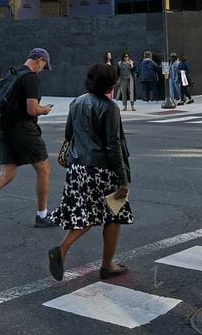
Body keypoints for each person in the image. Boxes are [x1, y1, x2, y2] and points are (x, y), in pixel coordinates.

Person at [48, 63, 132, 281]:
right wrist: (123, 179)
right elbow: (113, 145)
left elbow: (69, 133)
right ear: (110, 84)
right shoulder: (109, 107)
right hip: (101, 169)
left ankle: (63, 248)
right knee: (113, 215)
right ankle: (107, 265)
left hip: (77, 167)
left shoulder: (76, 102)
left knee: (87, 213)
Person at [0, 48, 54, 231]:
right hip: (23, 129)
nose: (42, 70)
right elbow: (32, 109)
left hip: (6, 128)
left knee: (8, 172)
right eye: (44, 65)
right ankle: (42, 215)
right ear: (39, 60)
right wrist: (45, 109)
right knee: (44, 168)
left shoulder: (14, 73)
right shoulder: (30, 78)